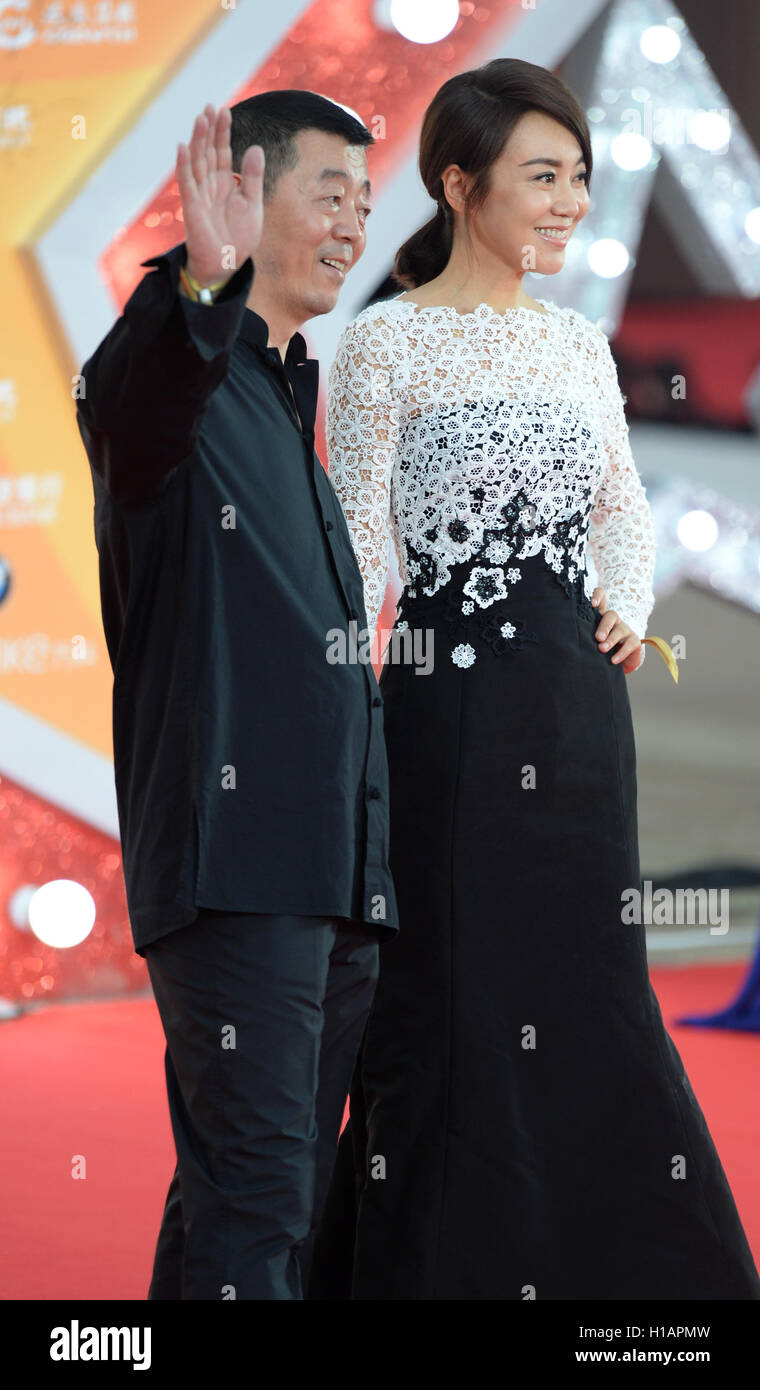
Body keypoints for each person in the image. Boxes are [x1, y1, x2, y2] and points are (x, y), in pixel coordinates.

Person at [307, 58, 760, 1300]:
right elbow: (359, 555)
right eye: (543, 178)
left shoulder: (573, 346)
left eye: (580, 179)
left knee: (593, 989)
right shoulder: (384, 343)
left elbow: (620, 511)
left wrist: (622, 601)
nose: (570, 204)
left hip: (576, 720)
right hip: (447, 721)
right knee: (450, 999)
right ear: (460, 185)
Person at [76, 91, 398, 1300]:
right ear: (242, 194)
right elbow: (136, 403)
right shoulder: (175, 372)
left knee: (265, 1202)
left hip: (329, 872)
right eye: (329, 193)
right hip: (237, 870)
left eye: (365, 203)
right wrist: (199, 285)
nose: (353, 226)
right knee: (260, 1206)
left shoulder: (283, 391)